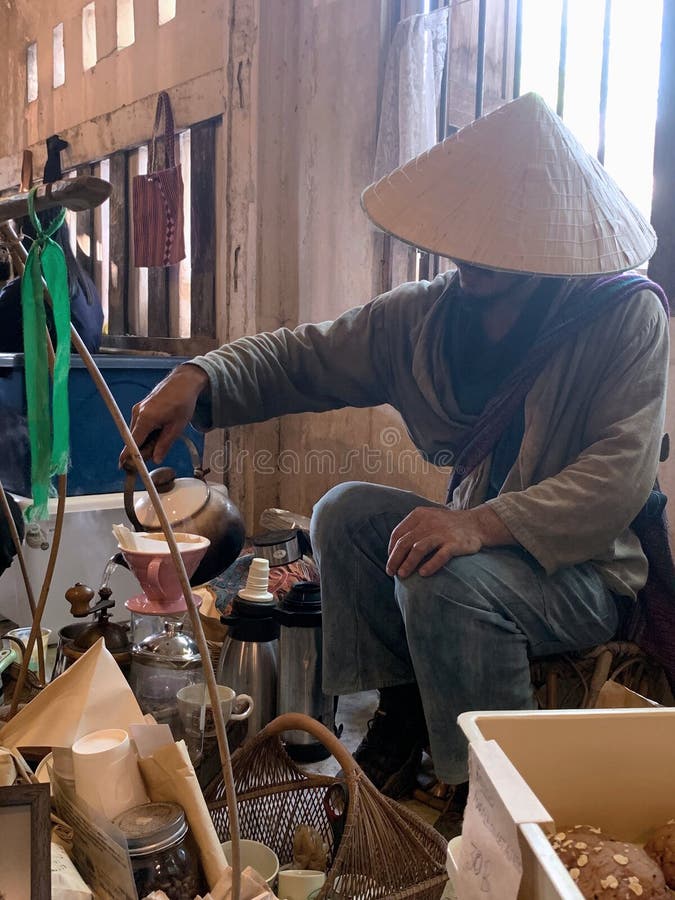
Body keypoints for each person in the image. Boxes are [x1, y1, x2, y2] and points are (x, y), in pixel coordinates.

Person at [122, 93, 669, 832]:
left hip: (582, 570)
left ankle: (488, 794)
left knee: (447, 579)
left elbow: (618, 476)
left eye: (500, 239)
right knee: (345, 512)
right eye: (466, 234)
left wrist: (478, 523)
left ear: (548, 241)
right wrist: (199, 377)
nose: (472, 256)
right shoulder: (427, 317)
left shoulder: (626, 318)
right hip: (485, 552)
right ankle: (400, 713)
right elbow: (306, 354)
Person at [0, 207, 104, 353]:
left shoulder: (27, 289)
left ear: (26, 238)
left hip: (45, 375)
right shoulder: (87, 286)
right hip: (86, 375)